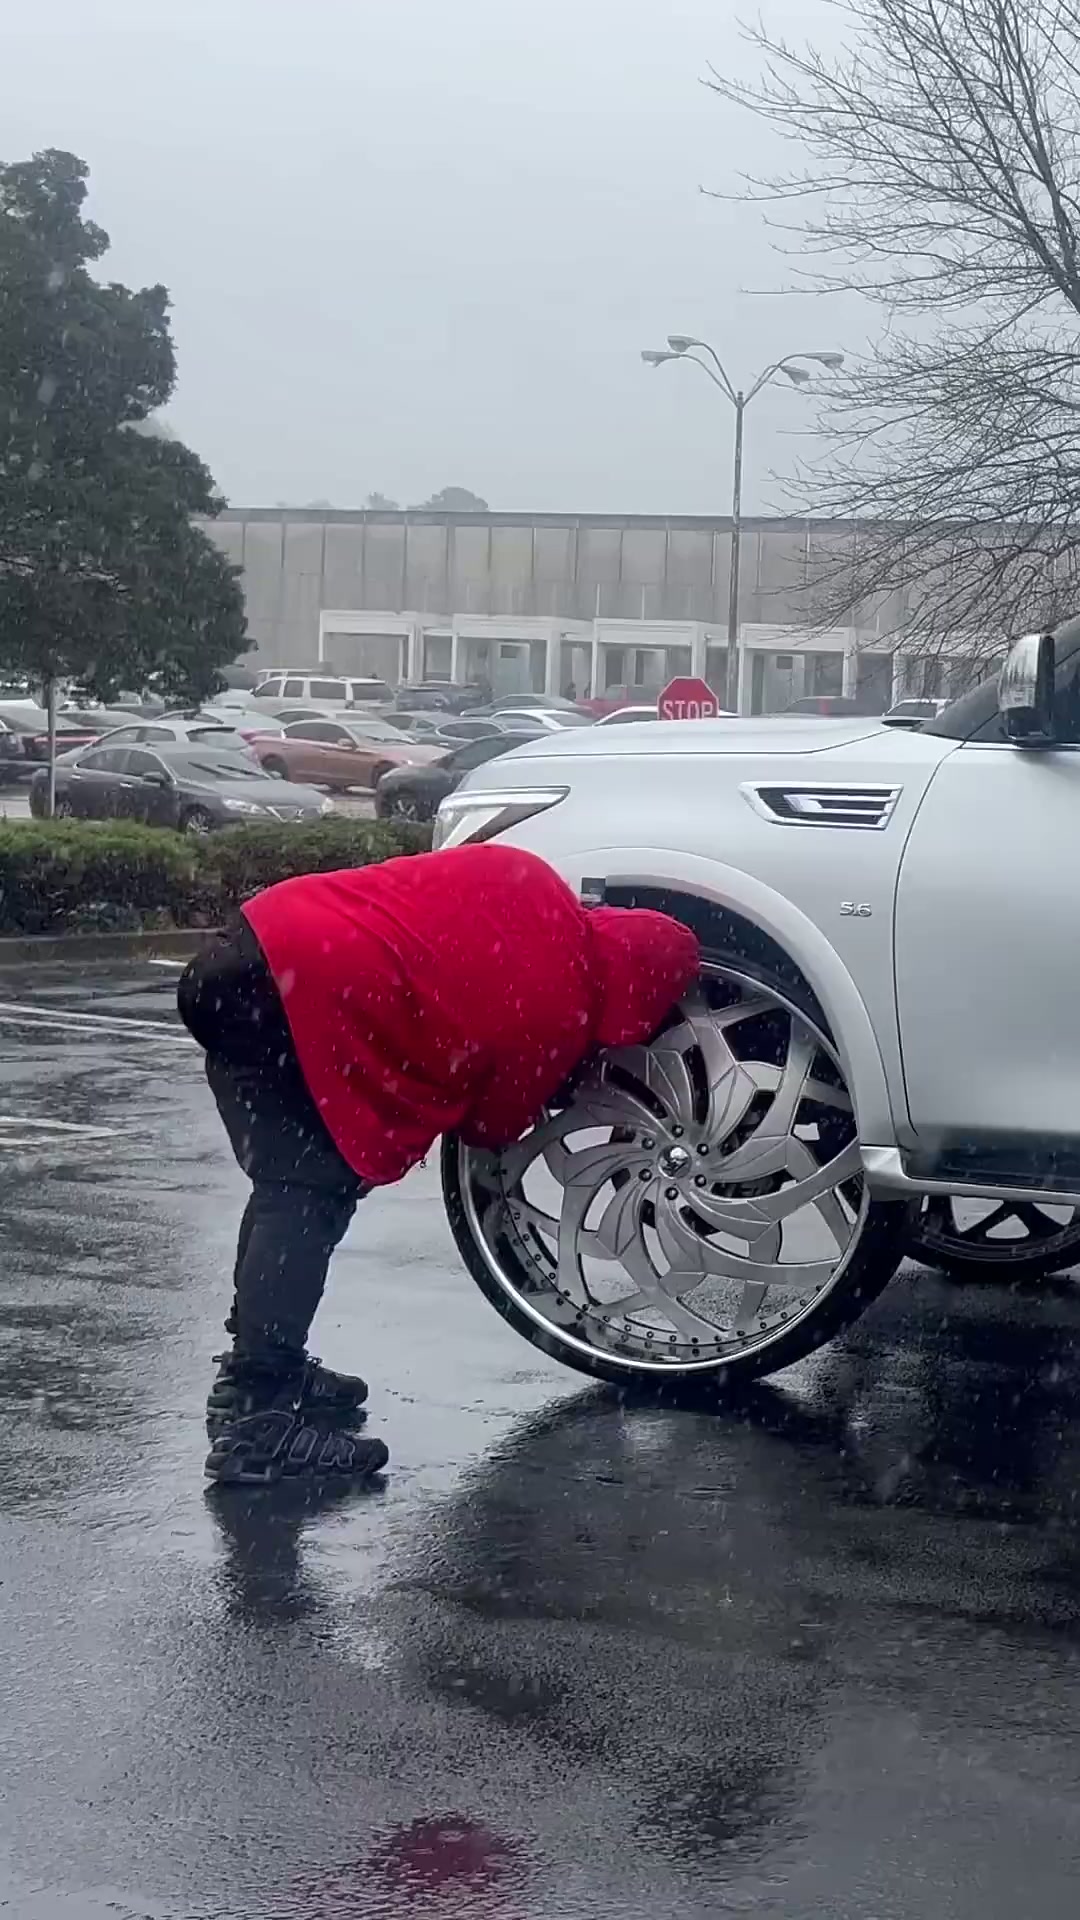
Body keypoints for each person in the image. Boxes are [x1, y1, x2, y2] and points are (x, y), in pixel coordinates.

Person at [178, 842, 699, 1487]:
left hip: (248, 952)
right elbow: (492, 1127)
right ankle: (258, 1427)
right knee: (306, 1198)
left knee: (286, 1192)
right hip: (298, 994)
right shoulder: (559, 1006)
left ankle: (257, 1370)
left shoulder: (534, 877)